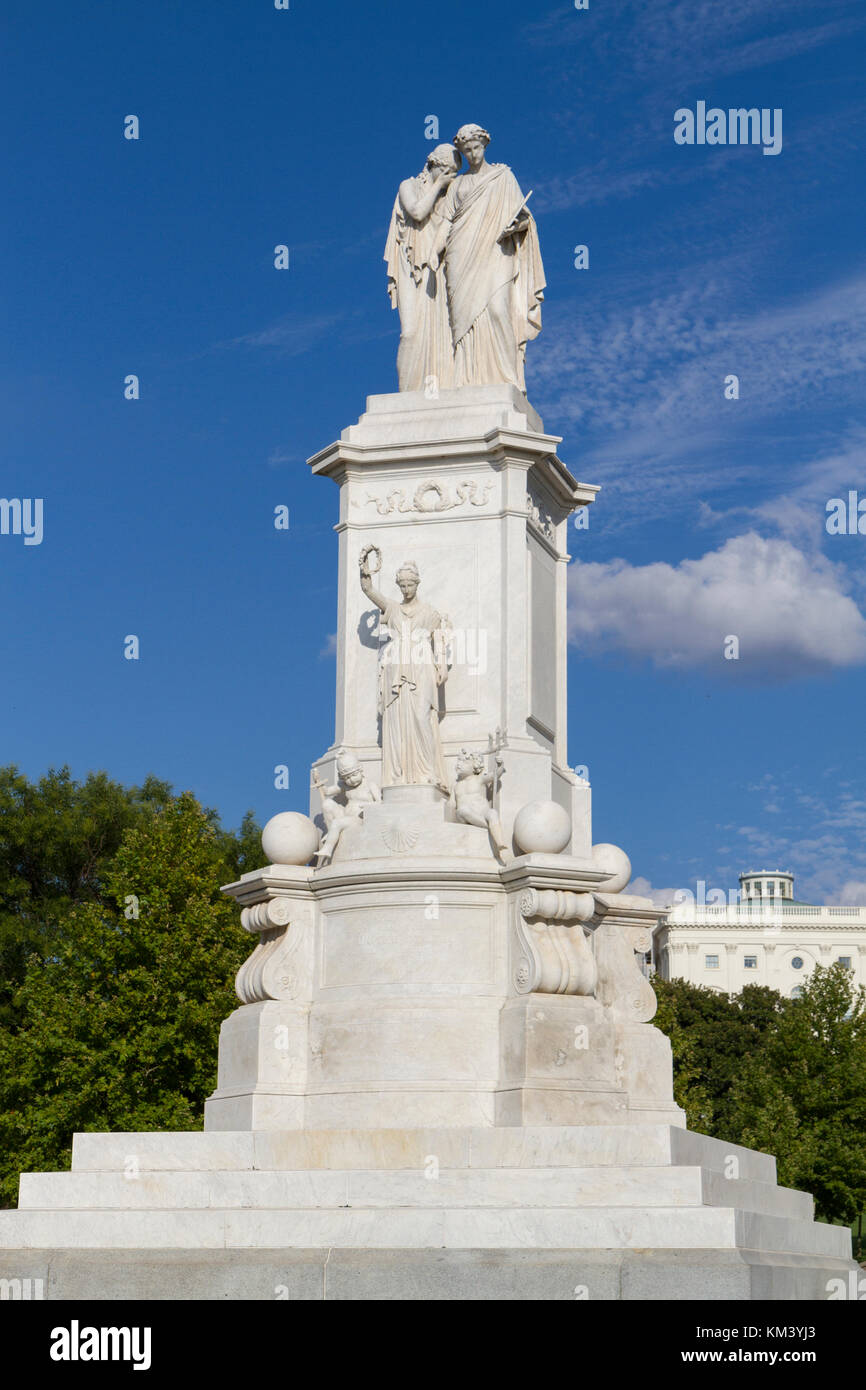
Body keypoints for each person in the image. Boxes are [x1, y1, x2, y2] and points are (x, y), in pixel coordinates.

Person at [431, 123, 545, 390]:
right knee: (462, 319)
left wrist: (515, 227)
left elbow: (524, 218)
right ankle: (465, 379)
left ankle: (508, 378)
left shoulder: (503, 177)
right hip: (461, 253)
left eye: (476, 148)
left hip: (496, 251)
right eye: (467, 151)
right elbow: (446, 221)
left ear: (484, 146)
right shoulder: (458, 184)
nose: (473, 154)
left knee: (497, 309)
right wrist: (433, 253)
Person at [359, 553, 449, 790]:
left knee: (421, 716)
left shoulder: (429, 612)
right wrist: (365, 572)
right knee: (398, 721)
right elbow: (368, 590)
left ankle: (428, 771)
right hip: (396, 666)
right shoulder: (393, 608)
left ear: (417, 584)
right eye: (402, 586)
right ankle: (400, 774)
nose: (406, 589)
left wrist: (441, 665)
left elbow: (439, 637)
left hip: (422, 666)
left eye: (410, 585)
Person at [384, 144, 461, 391]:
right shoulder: (408, 186)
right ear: (434, 165)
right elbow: (417, 212)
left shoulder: (449, 197)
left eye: (454, 174)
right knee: (410, 333)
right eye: (447, 171)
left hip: (437, 266)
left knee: (443, 331)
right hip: (410, 265)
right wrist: (438, 186)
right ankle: (407, 393)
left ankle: (441, 388)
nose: (450, 178)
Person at [452, 748, 511, 863]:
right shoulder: (456, 786)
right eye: (458, 762)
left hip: (481, 811)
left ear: (475, 766)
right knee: (463, 810)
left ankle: (500, 844)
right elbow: (451, 804)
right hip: (465, 814)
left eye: (464, 762)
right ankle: (488, 826)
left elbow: (495, 775)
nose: (459, 765)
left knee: (492, 813)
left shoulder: (479, 779)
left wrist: (500, 766)